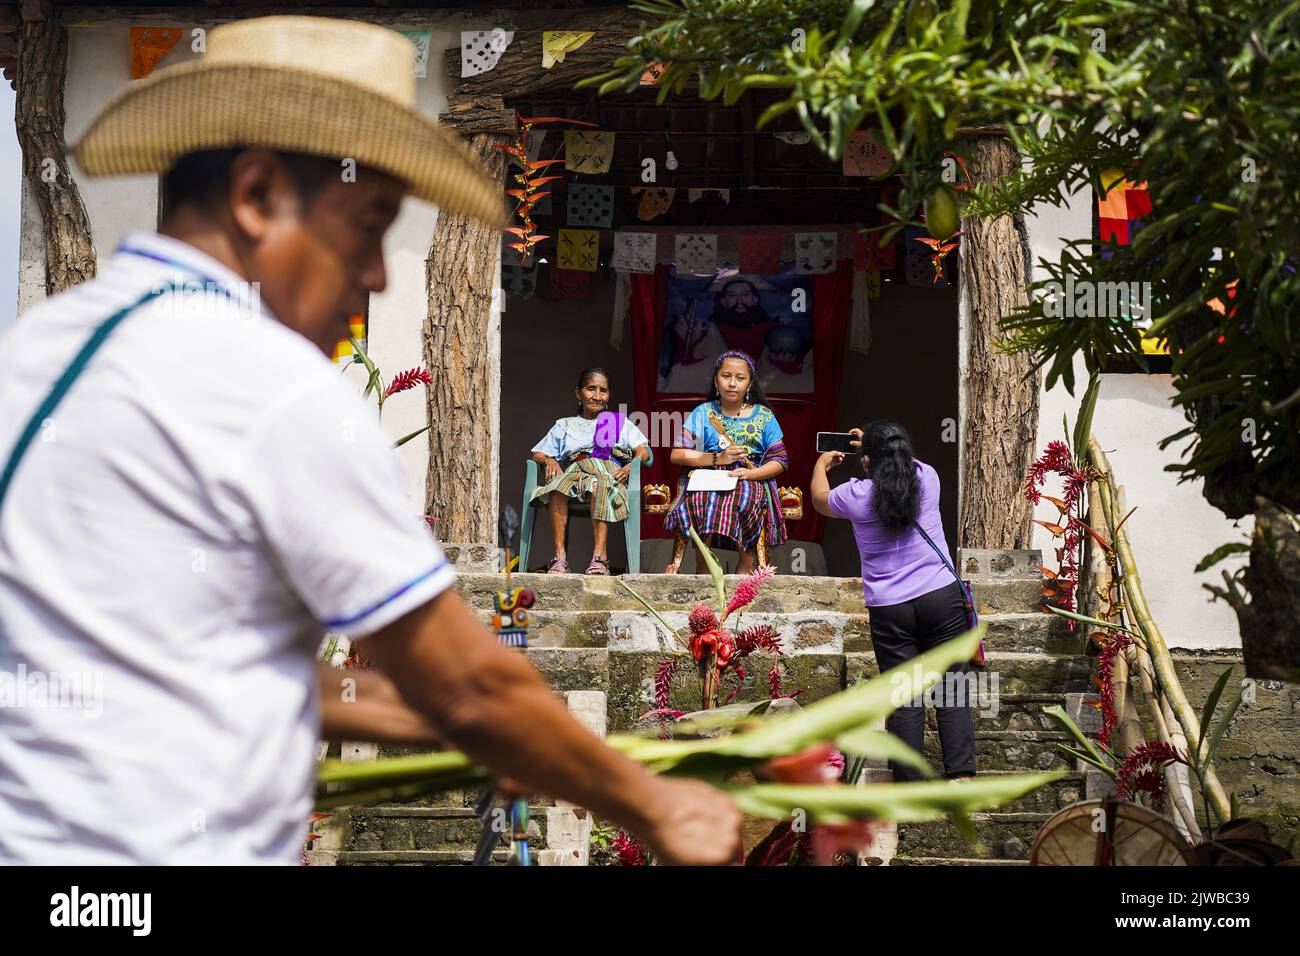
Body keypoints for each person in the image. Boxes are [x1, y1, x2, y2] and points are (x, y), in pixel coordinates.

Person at [0, 16, 739, 865]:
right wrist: (654, 803)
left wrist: (478, 735)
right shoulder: (269, 386)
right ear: (256, 197)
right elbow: (470, 684)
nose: (379, 274)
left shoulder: (39, 352)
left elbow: (179, 665)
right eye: (367, 224)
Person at [810, 421, 976, 783]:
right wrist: (876, 445)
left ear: (867, 461)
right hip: (940, 596)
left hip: (890, 608)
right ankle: (960, 774)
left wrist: (821, 466)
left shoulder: (855, 495)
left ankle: (909, 784)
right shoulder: (927, 477)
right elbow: (903, 458)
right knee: (951, 684)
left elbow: (820, 501)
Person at [665, 351, 789, 574]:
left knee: (743, 498)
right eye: (726, 376)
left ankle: (745, 568)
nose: (732, 384)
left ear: (750, 383)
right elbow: (677, 454)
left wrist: (749, 474)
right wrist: (717, 458)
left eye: (740, 378)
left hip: (749, 477)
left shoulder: (764, 416)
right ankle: (704, 567)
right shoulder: (703, 412)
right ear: (716, 380)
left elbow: (780, 460)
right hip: (709, 475)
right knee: (701, 500)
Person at [529, 368, 650, 575]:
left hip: (608, 474)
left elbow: (644, 451)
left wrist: (631, 465)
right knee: (557, 487)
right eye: (591, 389)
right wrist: (549, 459)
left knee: (598, 485)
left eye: (603, 390)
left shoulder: (618, 423)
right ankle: (559, 558)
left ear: (609, 396)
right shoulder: (565, 424)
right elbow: (537, 453)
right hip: (575, 474)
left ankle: (600, 557)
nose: (597, 396)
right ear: (579, 393)